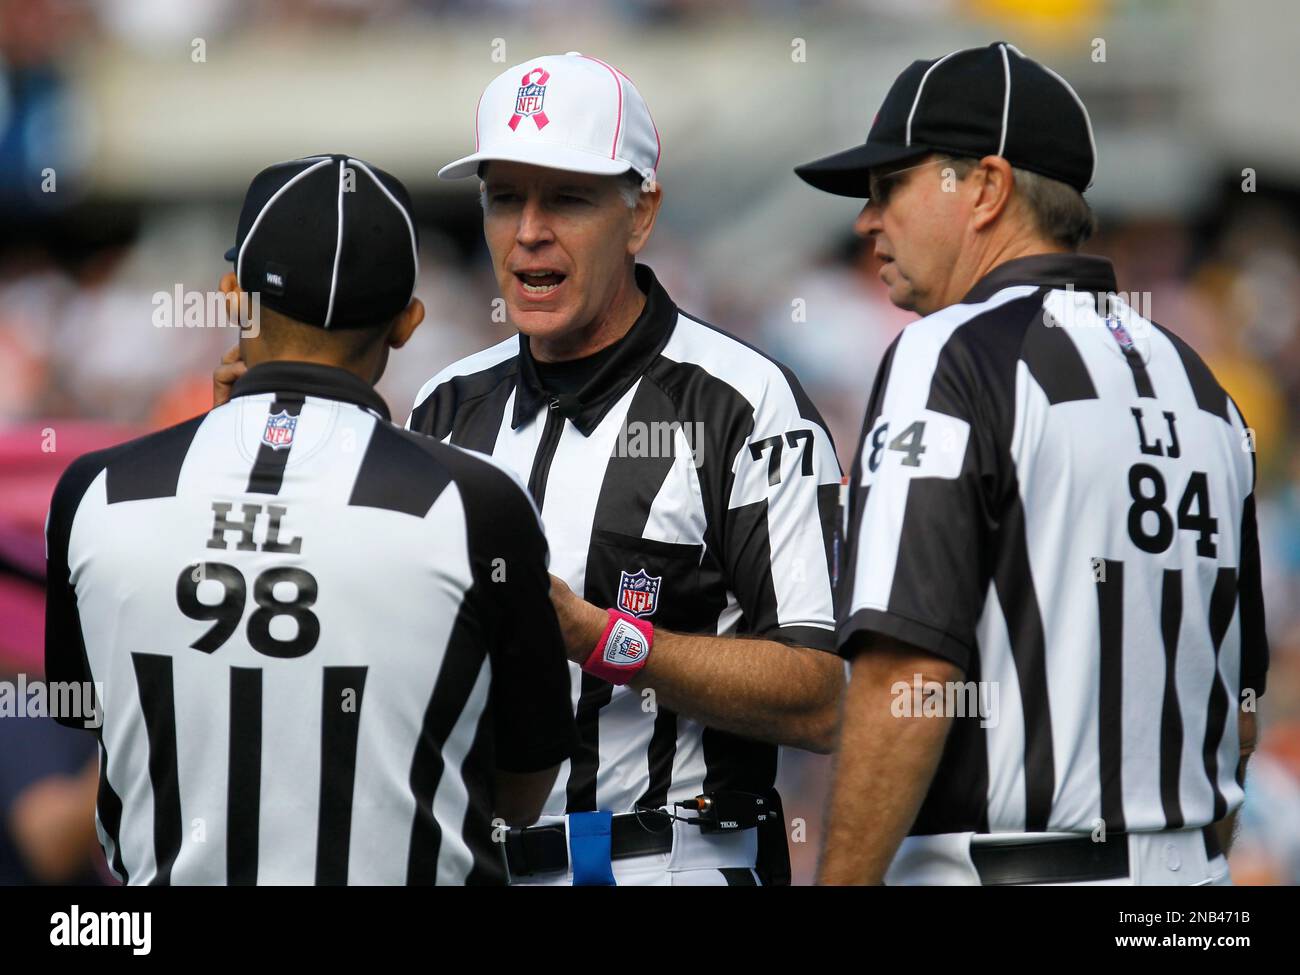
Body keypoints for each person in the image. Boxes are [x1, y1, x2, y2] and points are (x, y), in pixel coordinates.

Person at [796, 42, 1267, 885]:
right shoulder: (1207, 390)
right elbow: (1240, 712)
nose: (867, 221)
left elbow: (911, 679)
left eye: (887, 188)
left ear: (985, 186)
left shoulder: (945, 356)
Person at [45, 154, 576, 885]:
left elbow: (91, 727)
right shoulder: (478, 505)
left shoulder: (95, 491)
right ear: (407, 323)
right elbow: (520, 781)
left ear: (233, 296)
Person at [405, 52, 843, 886]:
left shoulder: (744, 403)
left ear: (641, 215)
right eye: (505, 197)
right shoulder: (444, 404)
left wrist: (602, 638)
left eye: (567, 197)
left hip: (675, 863)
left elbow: (822, 694)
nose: (530, 229)